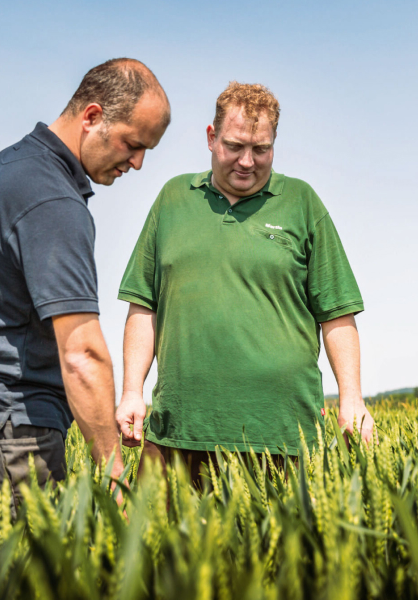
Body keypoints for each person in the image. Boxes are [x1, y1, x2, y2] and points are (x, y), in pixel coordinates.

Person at [0, 58, 170, 509]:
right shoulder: (53, 199)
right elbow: (82, 353)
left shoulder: (12, 163)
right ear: (93, 117)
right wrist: (114, 472)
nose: (137, 163)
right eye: (133, 144)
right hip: (4, 427)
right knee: (24, 577)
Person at [115, 82, 372, 485]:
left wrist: (352, 397)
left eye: (261, 149)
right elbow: (142, 306)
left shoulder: (302, 202)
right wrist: (132, 389)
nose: (248, 161)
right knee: (151, 543)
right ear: (211, 138)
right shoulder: (173, 199)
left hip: (284, 435)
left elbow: (337, 313)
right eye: (235, 146)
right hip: (181, 429)